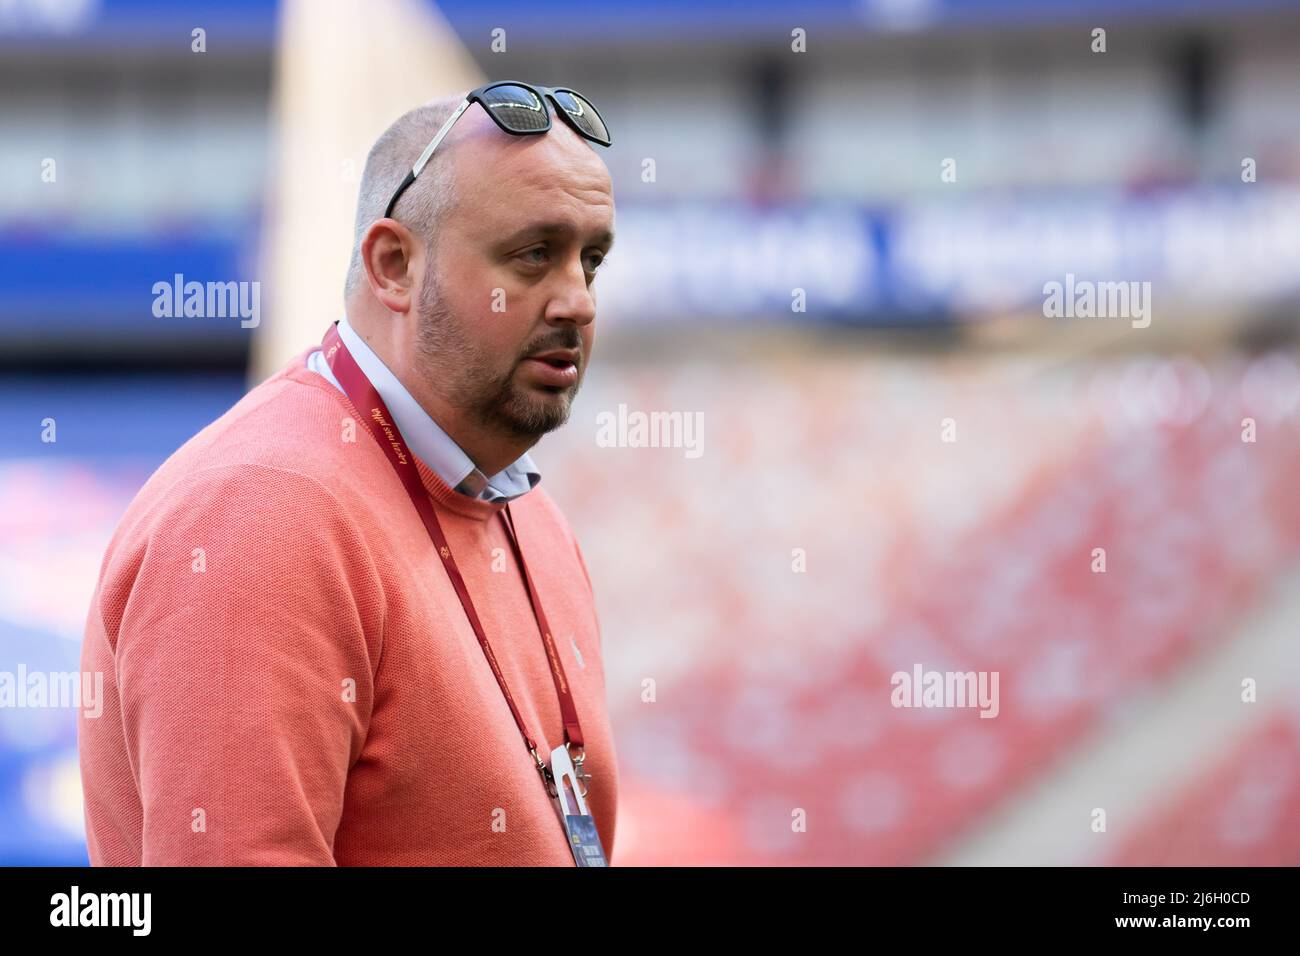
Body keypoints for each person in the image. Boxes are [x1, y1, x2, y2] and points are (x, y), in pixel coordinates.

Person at [78, 83, 619, 865]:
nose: (577, 301)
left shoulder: (527, 511)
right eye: (533, 255)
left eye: (591, 261)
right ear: (393, 265)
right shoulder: (261, 512)